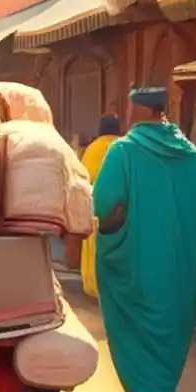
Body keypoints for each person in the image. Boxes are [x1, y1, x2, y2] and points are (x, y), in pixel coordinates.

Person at [92, 86, 196, 392]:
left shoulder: (122, 152)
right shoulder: (194, 159)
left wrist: (110, 236)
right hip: (178, 274)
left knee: (134, 339)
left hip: (132, 268)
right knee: (169, 342)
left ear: (138, 110)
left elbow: (103, 205)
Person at [79, 114, 122, 298]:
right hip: (121, 207)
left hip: (95, 204)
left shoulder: (91, 149)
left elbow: (83, 177)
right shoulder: (124, 146)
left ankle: (93, 284)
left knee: (93, 247)